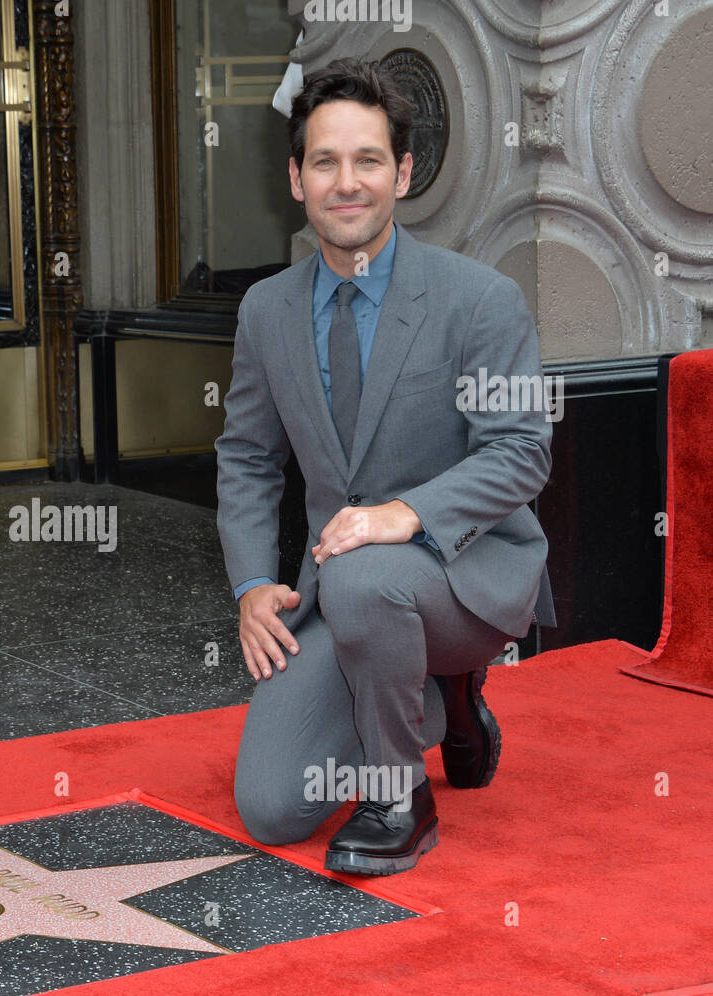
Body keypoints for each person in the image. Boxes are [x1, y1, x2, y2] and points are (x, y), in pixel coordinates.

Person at [215, 57, 556, 876]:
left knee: (370, 577)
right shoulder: (266, 310)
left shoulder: (481, 299)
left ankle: (399, 795)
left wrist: (406, 514)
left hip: (463, 577)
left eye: (368, 160)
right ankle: (448, 701)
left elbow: (523, 450)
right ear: (295, 178)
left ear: (401, 173)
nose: (347, 182)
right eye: (324, 162)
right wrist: (252, 584)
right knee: (270, 809)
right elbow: (249, 457)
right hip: (346, 589)